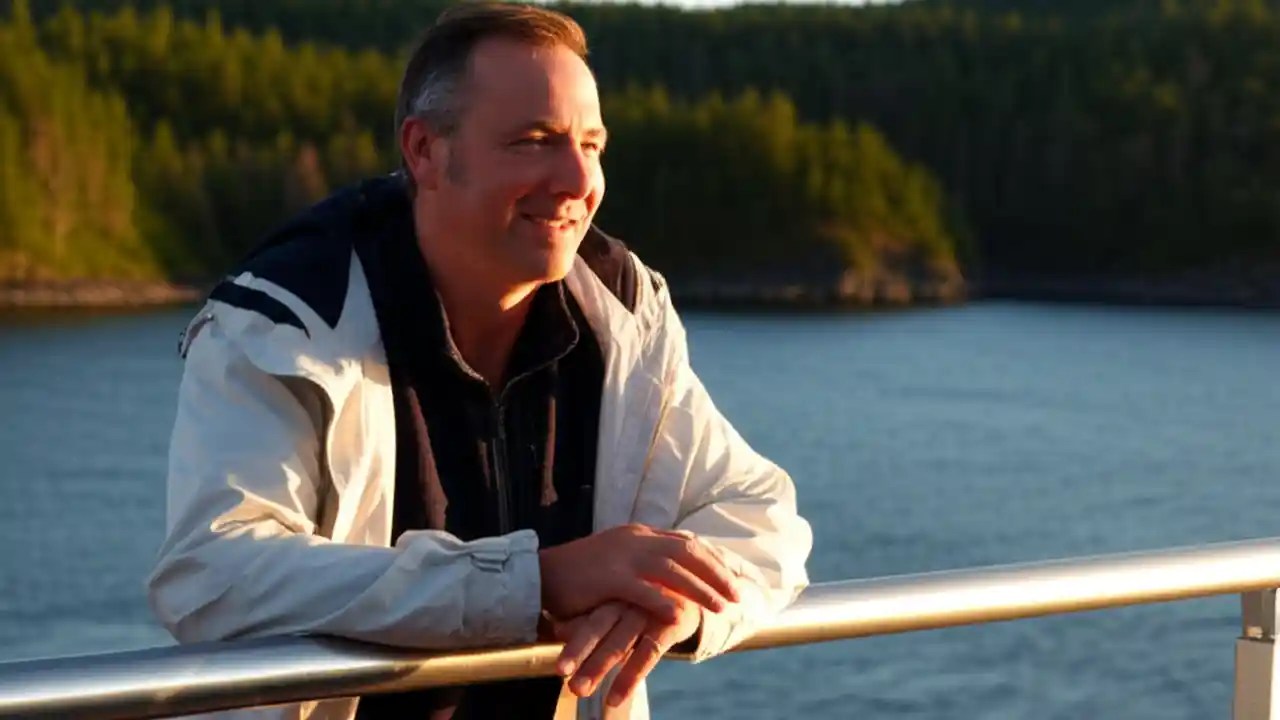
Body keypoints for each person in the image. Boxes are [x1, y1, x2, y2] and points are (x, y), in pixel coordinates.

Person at [147, 3, 812, 719]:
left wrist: (683, 604)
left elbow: (762, 516)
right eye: (534, 142)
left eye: (592, 145)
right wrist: (537, 583)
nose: (576, 181)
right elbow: (212, 577)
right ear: (425, 151)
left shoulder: (619, 314)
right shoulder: (289, 317)